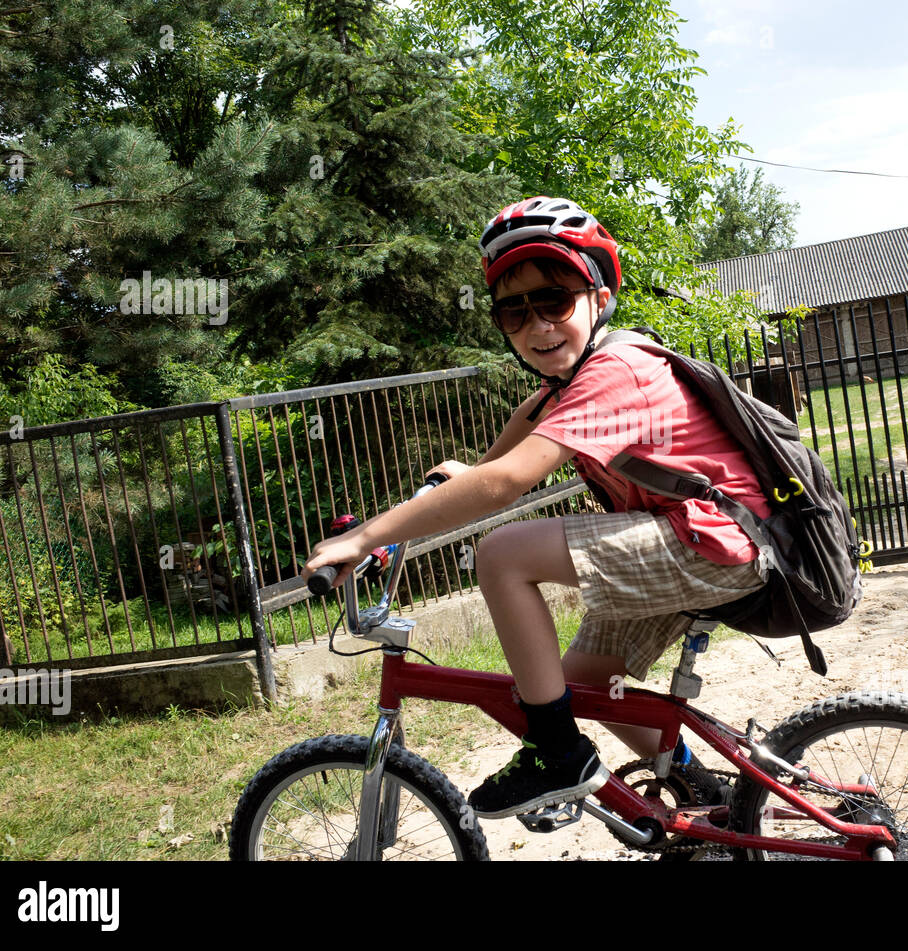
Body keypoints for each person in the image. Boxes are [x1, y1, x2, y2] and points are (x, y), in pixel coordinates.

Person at [301, 196, 771, 819]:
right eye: (514, 312)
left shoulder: (617, 370)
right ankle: (700, 789)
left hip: (717, 544)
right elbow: (486, 472)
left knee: (502, 555)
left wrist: (360, 538)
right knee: (579, 686)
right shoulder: (560, 388)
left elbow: (504, 487)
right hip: (696, 543)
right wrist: (397, 530)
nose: (537, 326)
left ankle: (555, 754)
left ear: (599, 299)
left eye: (554, 301)